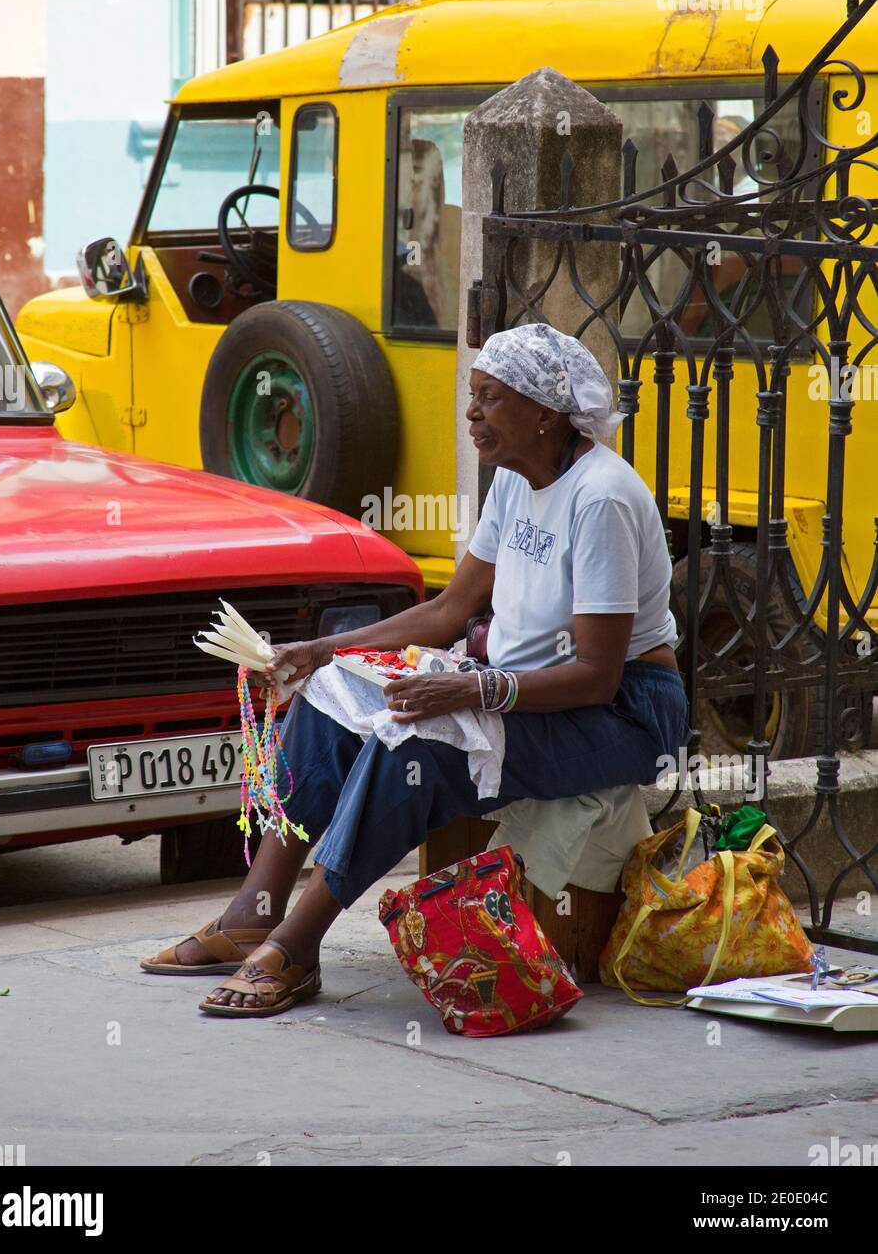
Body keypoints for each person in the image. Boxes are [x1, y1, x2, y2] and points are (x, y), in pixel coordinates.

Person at [141, 323, 690, 1018]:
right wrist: (325, 653)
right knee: (329, 698)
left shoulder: (601, 497)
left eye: (490, 399)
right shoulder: (517, 482)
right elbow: (453, 608)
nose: (472, 413)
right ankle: (254, 910)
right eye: (473, 397)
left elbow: (597, 675)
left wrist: (475, 689)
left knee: (416, 744)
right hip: (527, 692)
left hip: (623, 716)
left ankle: (297, 943)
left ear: (545, 413)